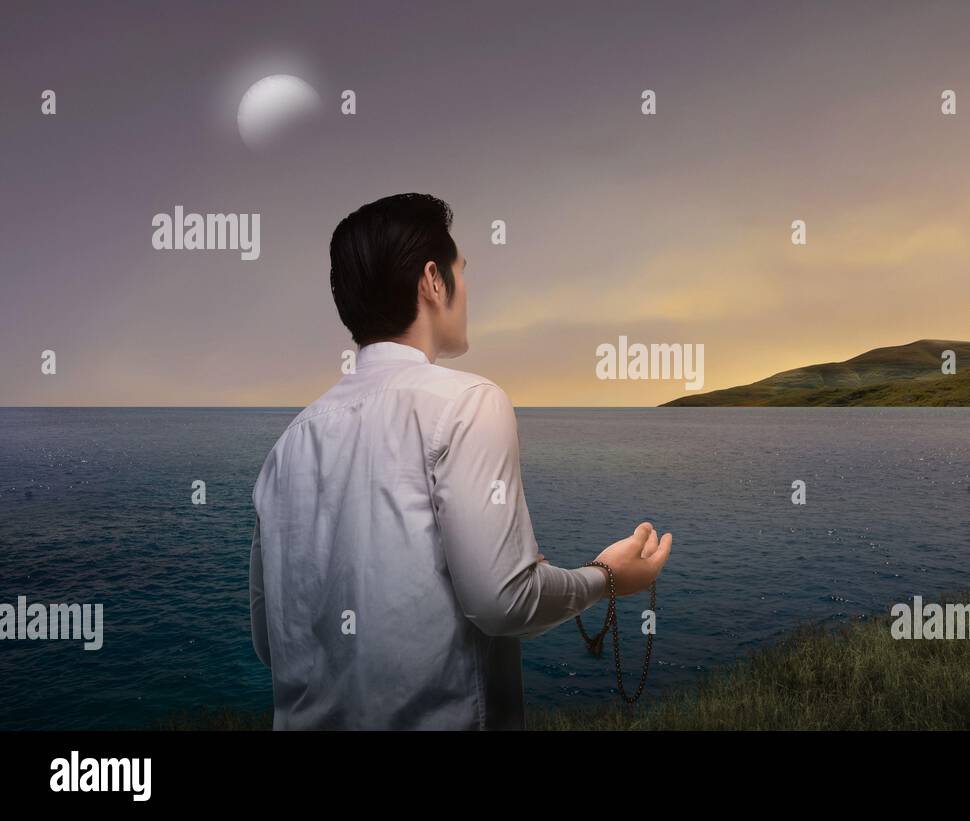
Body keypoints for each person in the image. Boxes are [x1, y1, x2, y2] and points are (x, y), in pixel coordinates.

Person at [248, 193, 672, 729]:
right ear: (433, 281)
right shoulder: (469, 402)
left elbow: (271, 642)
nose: (467, 290)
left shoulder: (286, 448)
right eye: (461, 271)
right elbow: (502, 603)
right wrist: (607, 576)